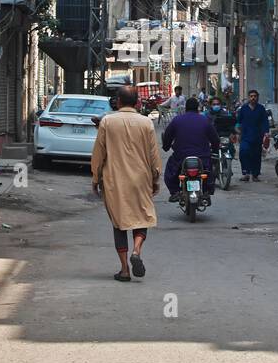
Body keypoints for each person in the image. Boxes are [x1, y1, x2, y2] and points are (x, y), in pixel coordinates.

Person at [91, 85, 161, 282]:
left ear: (118, 102)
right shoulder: (146, 123)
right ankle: (137, 251)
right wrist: (155, 178)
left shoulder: (107, 122)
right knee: (141, 216)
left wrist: (95, 178)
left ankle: (124, 270)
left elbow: (99, 153)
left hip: (115, 179)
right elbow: (154, 155)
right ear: (137, 102)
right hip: (141, 178)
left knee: (119, 223)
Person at [161, 97, 220, 200]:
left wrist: (166, 147)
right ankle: (206, 191)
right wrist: (214, 151)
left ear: (185, 108)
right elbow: (215, 139)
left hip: (181, 157)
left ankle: (175, 192)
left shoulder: (177, 120)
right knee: (209, 170)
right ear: (197, 108)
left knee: (170, 171)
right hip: (202, 157)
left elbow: (167, 136)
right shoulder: (204, 120)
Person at [235, 89, 270, 182]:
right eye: (251, 96)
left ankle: (255, 175)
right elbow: (238, 121)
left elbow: (265, 121)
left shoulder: (261, 109)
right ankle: (246, 173)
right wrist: (237, 131)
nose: (253, 98)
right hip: (245, 136)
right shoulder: (244, 108)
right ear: (248, 98)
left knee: (256, 156)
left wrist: (266, 132)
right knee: (244, 152)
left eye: (255, 96)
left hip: (257, 136)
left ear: (257, 97)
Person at [209, 96, 238, 171]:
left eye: (218, 104)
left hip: (223, 137)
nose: (216, 106)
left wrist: (233, 133)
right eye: (214, 104)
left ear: (221, 105)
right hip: (211, 138)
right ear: (210, 105)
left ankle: (226, 166)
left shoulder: (225, 114)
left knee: (231, 149)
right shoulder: (206, 115)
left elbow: (231, 124)